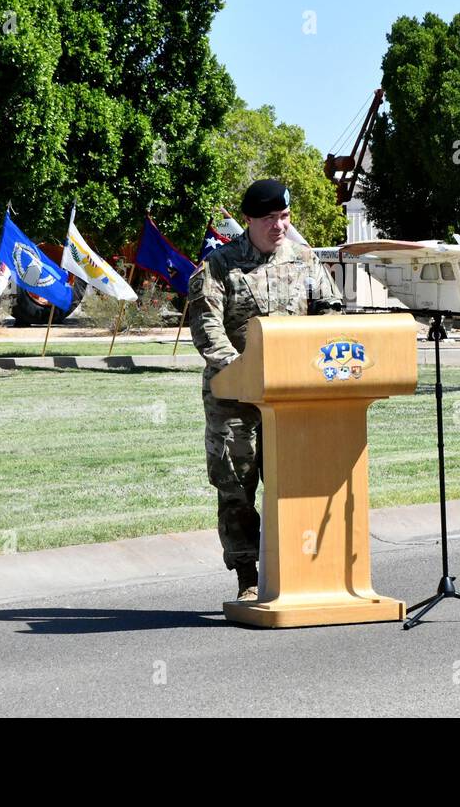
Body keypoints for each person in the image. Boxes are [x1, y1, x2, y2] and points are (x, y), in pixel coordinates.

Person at [188, 179, 342, 603]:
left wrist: (318, 356)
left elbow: (330, 311)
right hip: (234, 397)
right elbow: (206, 328)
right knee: (236, 484)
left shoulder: (305, 260)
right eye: (271, 218)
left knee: (291, 482)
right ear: (251, 219)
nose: (279, 226)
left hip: (292, 395)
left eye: (285, 217)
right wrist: (241, 369)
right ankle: (246, 574)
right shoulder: (220, 265)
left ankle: (294, 568)